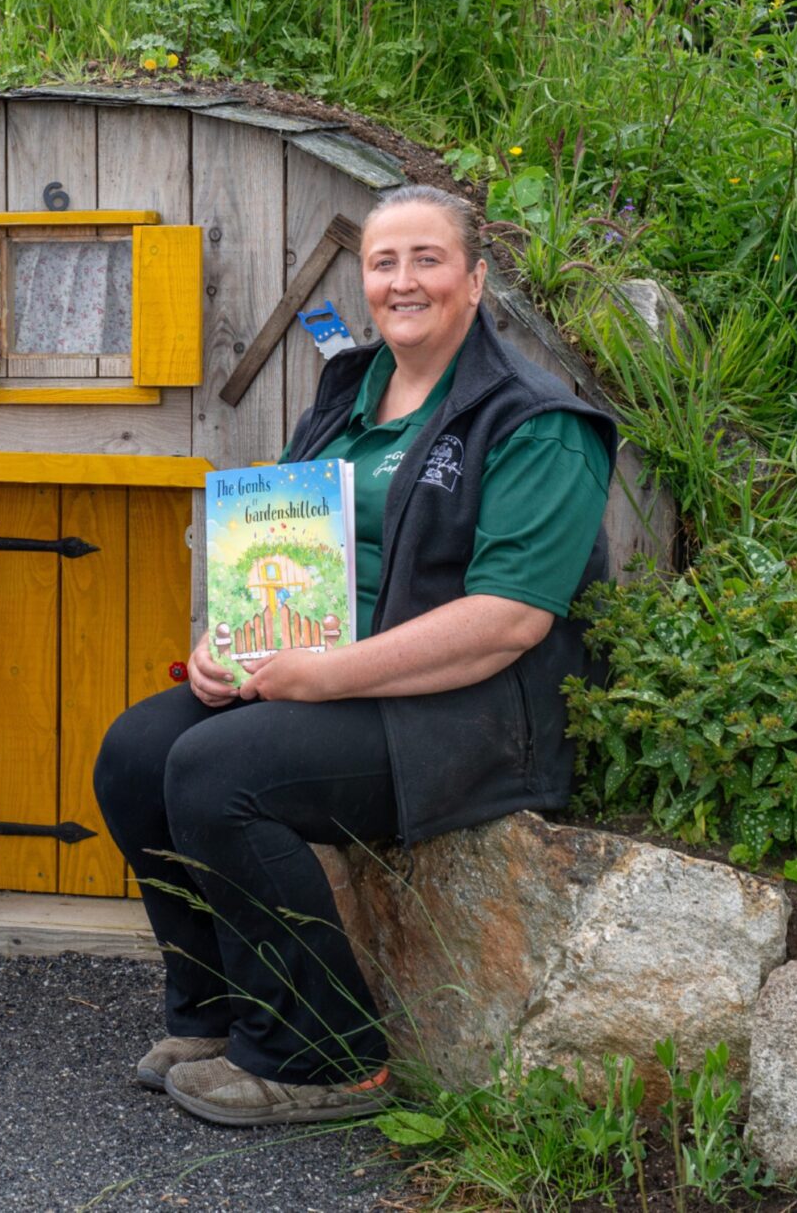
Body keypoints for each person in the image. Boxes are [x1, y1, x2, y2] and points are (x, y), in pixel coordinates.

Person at [94, 184, 616, 1126]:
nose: (403, 281)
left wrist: (321, 676)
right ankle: (216, 1013)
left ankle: (324, 1053)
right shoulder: (351, 393)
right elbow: (273, 543)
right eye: (385, 262)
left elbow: (507, 622)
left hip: (475, 713)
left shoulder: (536, 421)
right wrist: (225, 642)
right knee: (134, 756)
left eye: (428, 259)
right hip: (329, 678)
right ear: (365, 279)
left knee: (219, 773)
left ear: (475, 278)